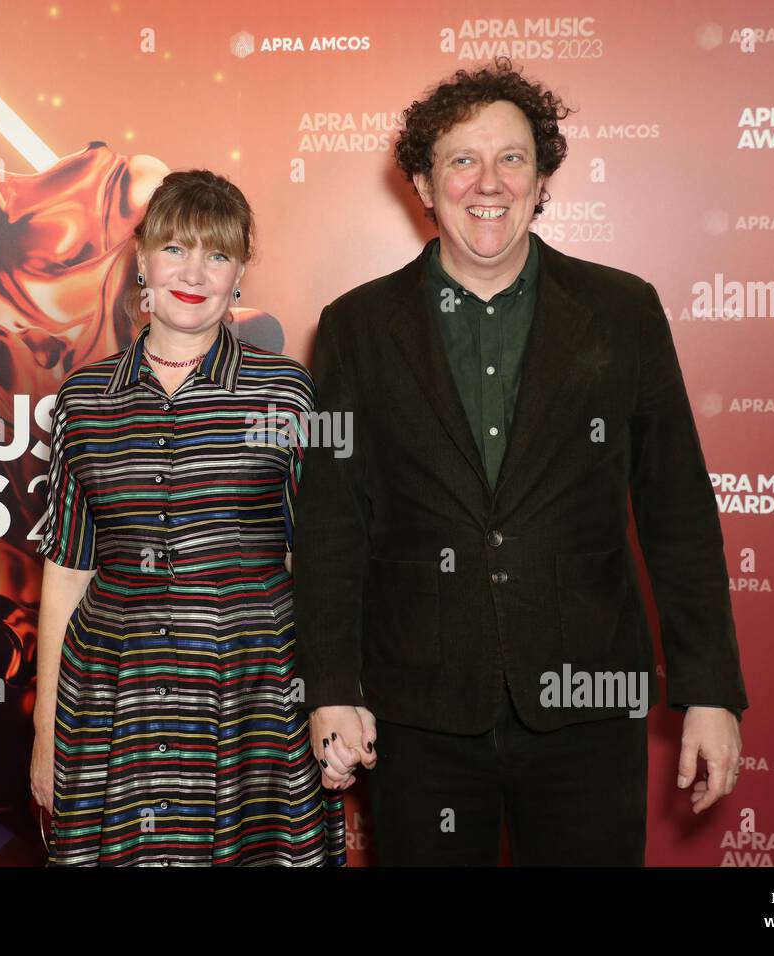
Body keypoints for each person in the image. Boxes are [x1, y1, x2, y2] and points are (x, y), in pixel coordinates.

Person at [291, 58, 748, 866]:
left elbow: (676, 509)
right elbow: (332, 522)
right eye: (462, 160)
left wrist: (709, 690)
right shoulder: (357, 327)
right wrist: (332, 688)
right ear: (424, 185)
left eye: (512, 159)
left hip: (588, 709)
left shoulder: (622, 310)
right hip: (417, 712)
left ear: (542, 180)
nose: (488, 182)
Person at [30, 169, 346, 866]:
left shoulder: (286, 392)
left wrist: (334, 698)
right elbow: (66, 571)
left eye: (218, 254)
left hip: (254, 700)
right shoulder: (85, 400)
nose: (194, 272)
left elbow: (321, 563)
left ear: (240, 272)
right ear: (141, 259)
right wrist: (45, 727)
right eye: (175, 249)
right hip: (112, 702)